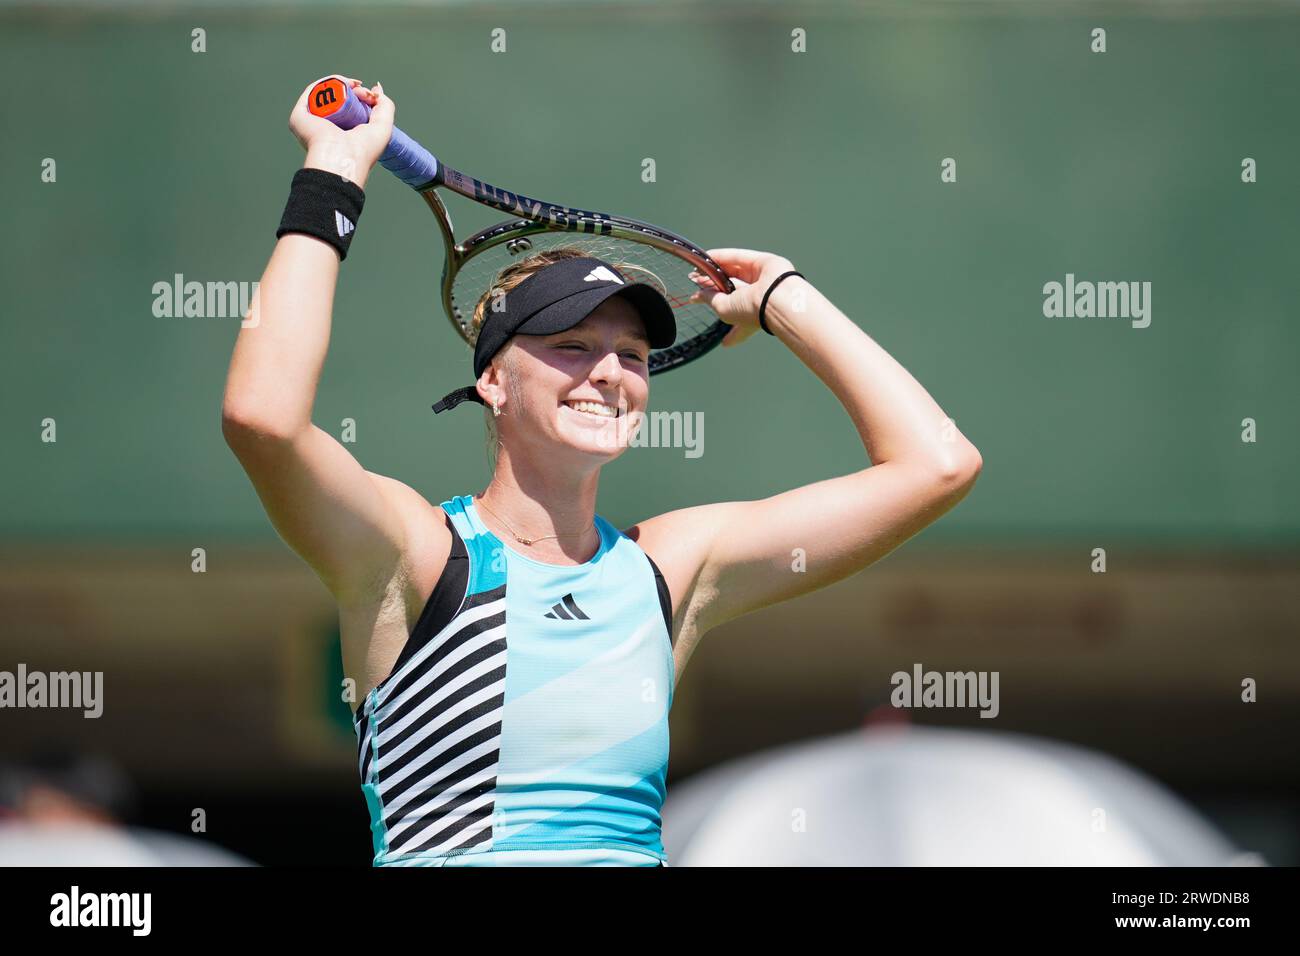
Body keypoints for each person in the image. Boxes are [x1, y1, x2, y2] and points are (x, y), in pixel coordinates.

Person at [222, 77, 982, 867]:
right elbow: (262, 419)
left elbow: (938, 464)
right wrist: (335, 173)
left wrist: (787, 298)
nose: (608, 374)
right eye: (571, 347)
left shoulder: (671, 570)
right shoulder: (416, 554)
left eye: (632, 355)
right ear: (493, 381)